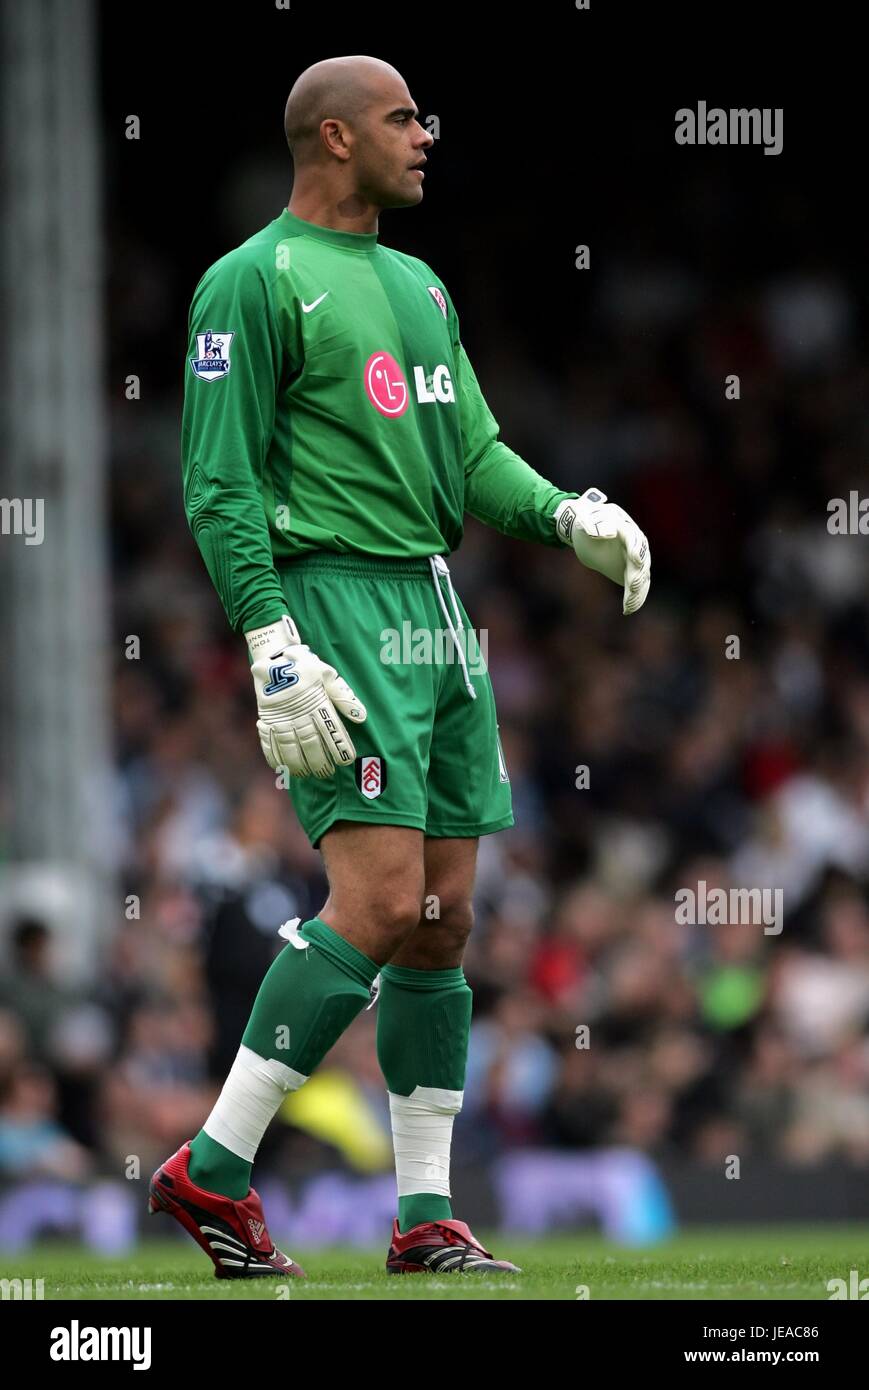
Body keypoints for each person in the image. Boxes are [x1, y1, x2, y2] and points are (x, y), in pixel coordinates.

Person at [150, 54, 650, 1279]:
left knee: (440, 924)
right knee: (373, 905)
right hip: (333, 599)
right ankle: (211, 1172)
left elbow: (470, 450)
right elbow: (217, 485)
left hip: (434, 607)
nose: (424, 136)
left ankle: (422, 1217)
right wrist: (270, 639)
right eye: (400, 119)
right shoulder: (250, 281)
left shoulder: (421, 285)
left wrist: (566, 513)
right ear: (332, 138)